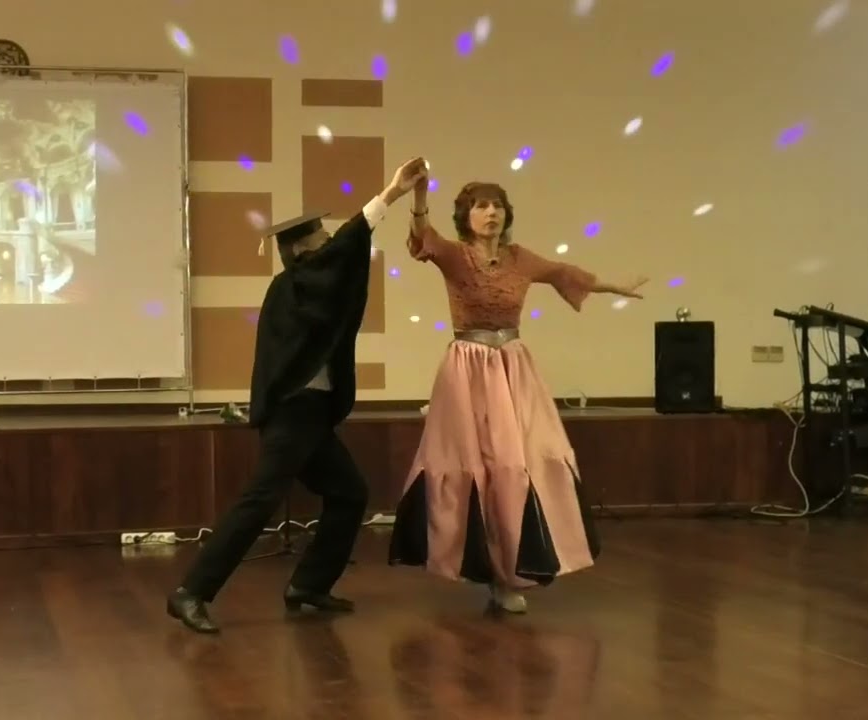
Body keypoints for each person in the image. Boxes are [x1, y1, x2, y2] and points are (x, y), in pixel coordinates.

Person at [167, 157, 429, 634]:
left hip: (312, 414)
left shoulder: (312, 287)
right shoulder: (291, 288)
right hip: (291, 414)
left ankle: (308, 584)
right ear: (302, 252)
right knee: (259, 500)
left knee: (349, 492)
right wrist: (389, 194)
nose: (330, 246)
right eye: (321, 242)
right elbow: (342, 256)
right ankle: (191, 592)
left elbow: (341, 274)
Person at [387, 178, 646, 614]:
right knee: (478, 468)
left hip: (512, 369)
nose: (491, 213)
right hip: (468, 371)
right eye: (481, 206)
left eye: (498, 206)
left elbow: (564, 273)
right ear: (466, 216)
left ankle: (509, 573)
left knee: (516, 466)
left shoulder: (519, 258)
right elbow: (422, 239)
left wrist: (615, 287)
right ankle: (486, 569)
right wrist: (418, 196)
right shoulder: (455, 255)